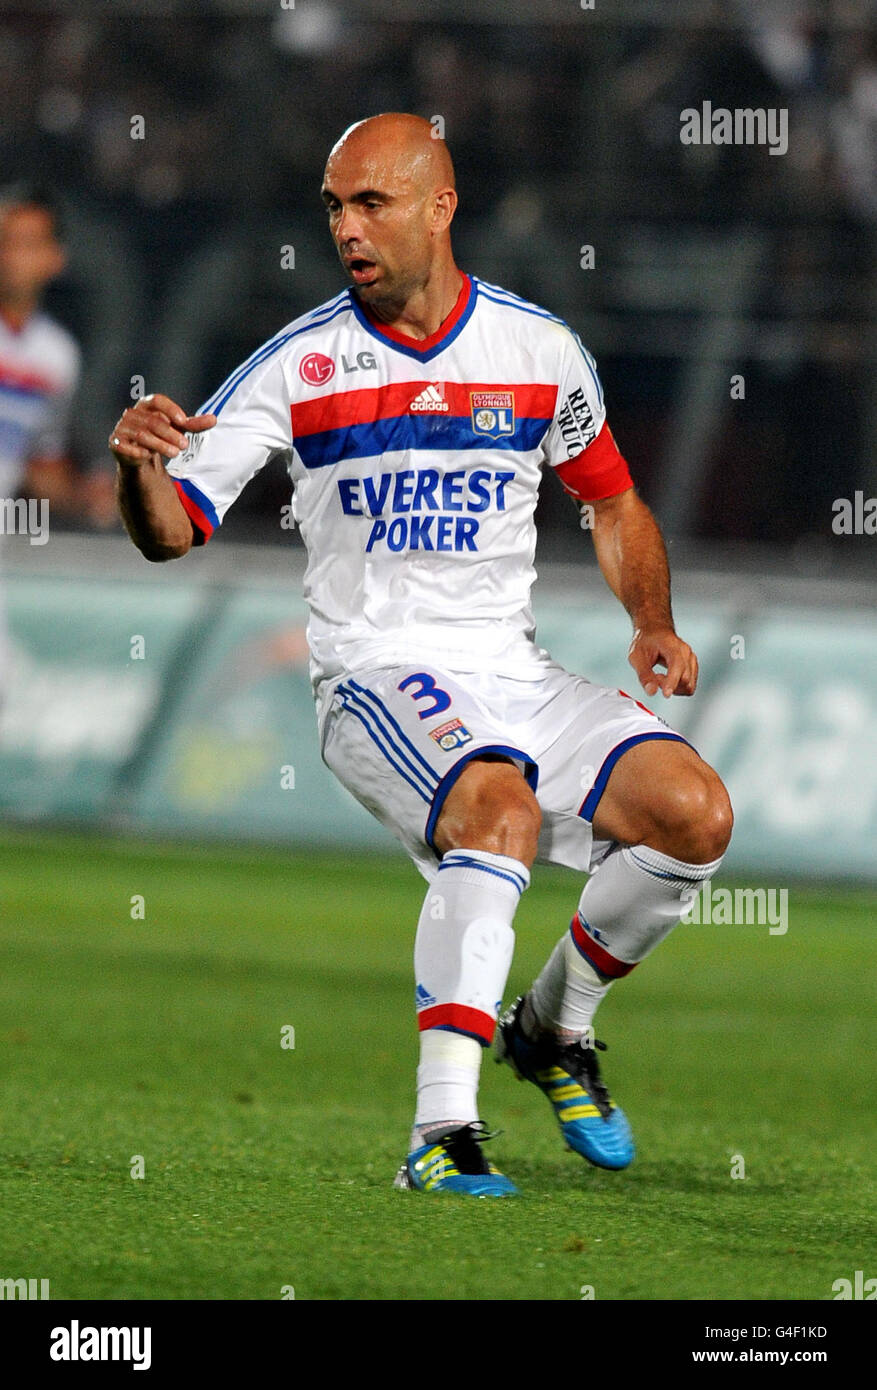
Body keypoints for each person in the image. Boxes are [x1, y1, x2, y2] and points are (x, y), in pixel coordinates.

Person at [109, 114, 733, 1197]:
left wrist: (651, 620)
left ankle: (550, 1031)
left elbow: (614, 499)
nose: (346, 228)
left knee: (694, 814)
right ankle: (439, 1133)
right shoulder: (299, 363)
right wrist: (137, 468)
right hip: (373, 674)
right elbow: (171, 532)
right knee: (497, 810)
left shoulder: (537, 349)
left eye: (371, 202)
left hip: (513, 670)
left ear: (440, 205)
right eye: (333, 206)